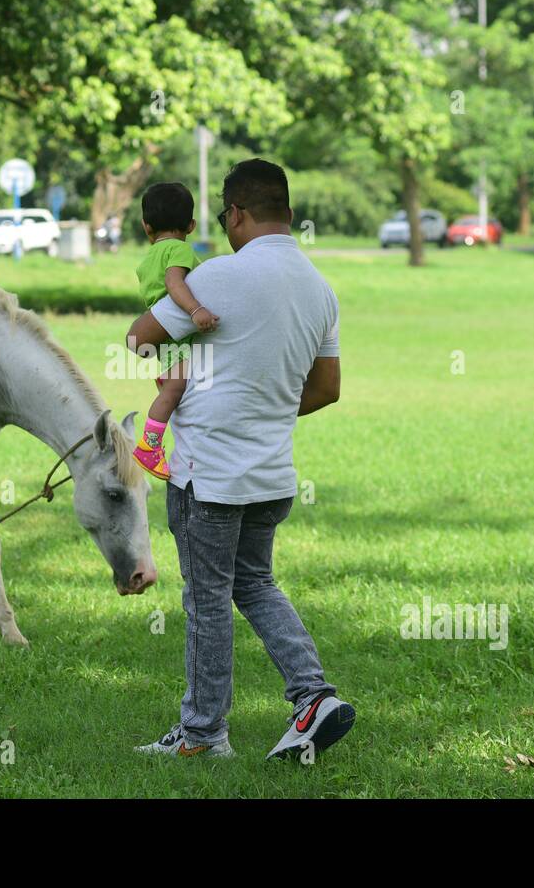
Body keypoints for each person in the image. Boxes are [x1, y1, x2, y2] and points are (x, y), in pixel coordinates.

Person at [126, 158, 353, 760]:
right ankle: (313, 696)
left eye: (227, 216)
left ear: (237, 214)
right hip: (272, 474)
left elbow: (140, 337)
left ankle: (202, 735)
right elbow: (326, 389)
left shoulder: (219, 277)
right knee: (253, 583)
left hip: (209, 476)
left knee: (206, 599)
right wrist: (265, 405)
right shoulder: (319, 288)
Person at [130, 182, 219, 480]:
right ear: (191, 225)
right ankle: (149, 446)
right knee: (175, 390)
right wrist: (196, 310)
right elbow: (174, 283)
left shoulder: (148, 258)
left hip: (164, 337)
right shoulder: (179, 249)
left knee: (176, 390)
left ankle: (156, 442)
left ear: (146, 226)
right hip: (179, 336)